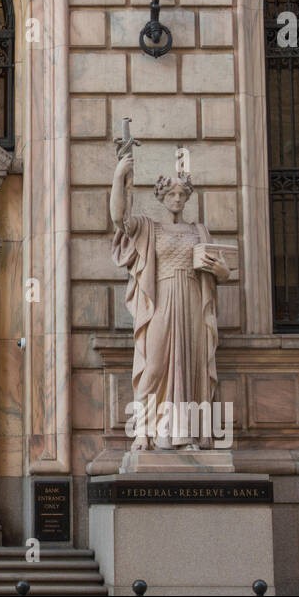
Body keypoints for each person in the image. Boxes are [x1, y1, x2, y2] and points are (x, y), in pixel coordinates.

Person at [110, 151, 230, 450]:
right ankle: (143, 431)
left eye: (181, 194)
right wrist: (119, 175)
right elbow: (119, 218)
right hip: (160, 301)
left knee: (190, 367)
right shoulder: (149, 227)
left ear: (187, 198)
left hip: (192, 301)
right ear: (162, 197)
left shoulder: (198, 230)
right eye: (171, 194)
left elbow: (222, 270)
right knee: (154, 366)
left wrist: (222, 271)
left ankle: (184, 435)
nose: (177, 199)